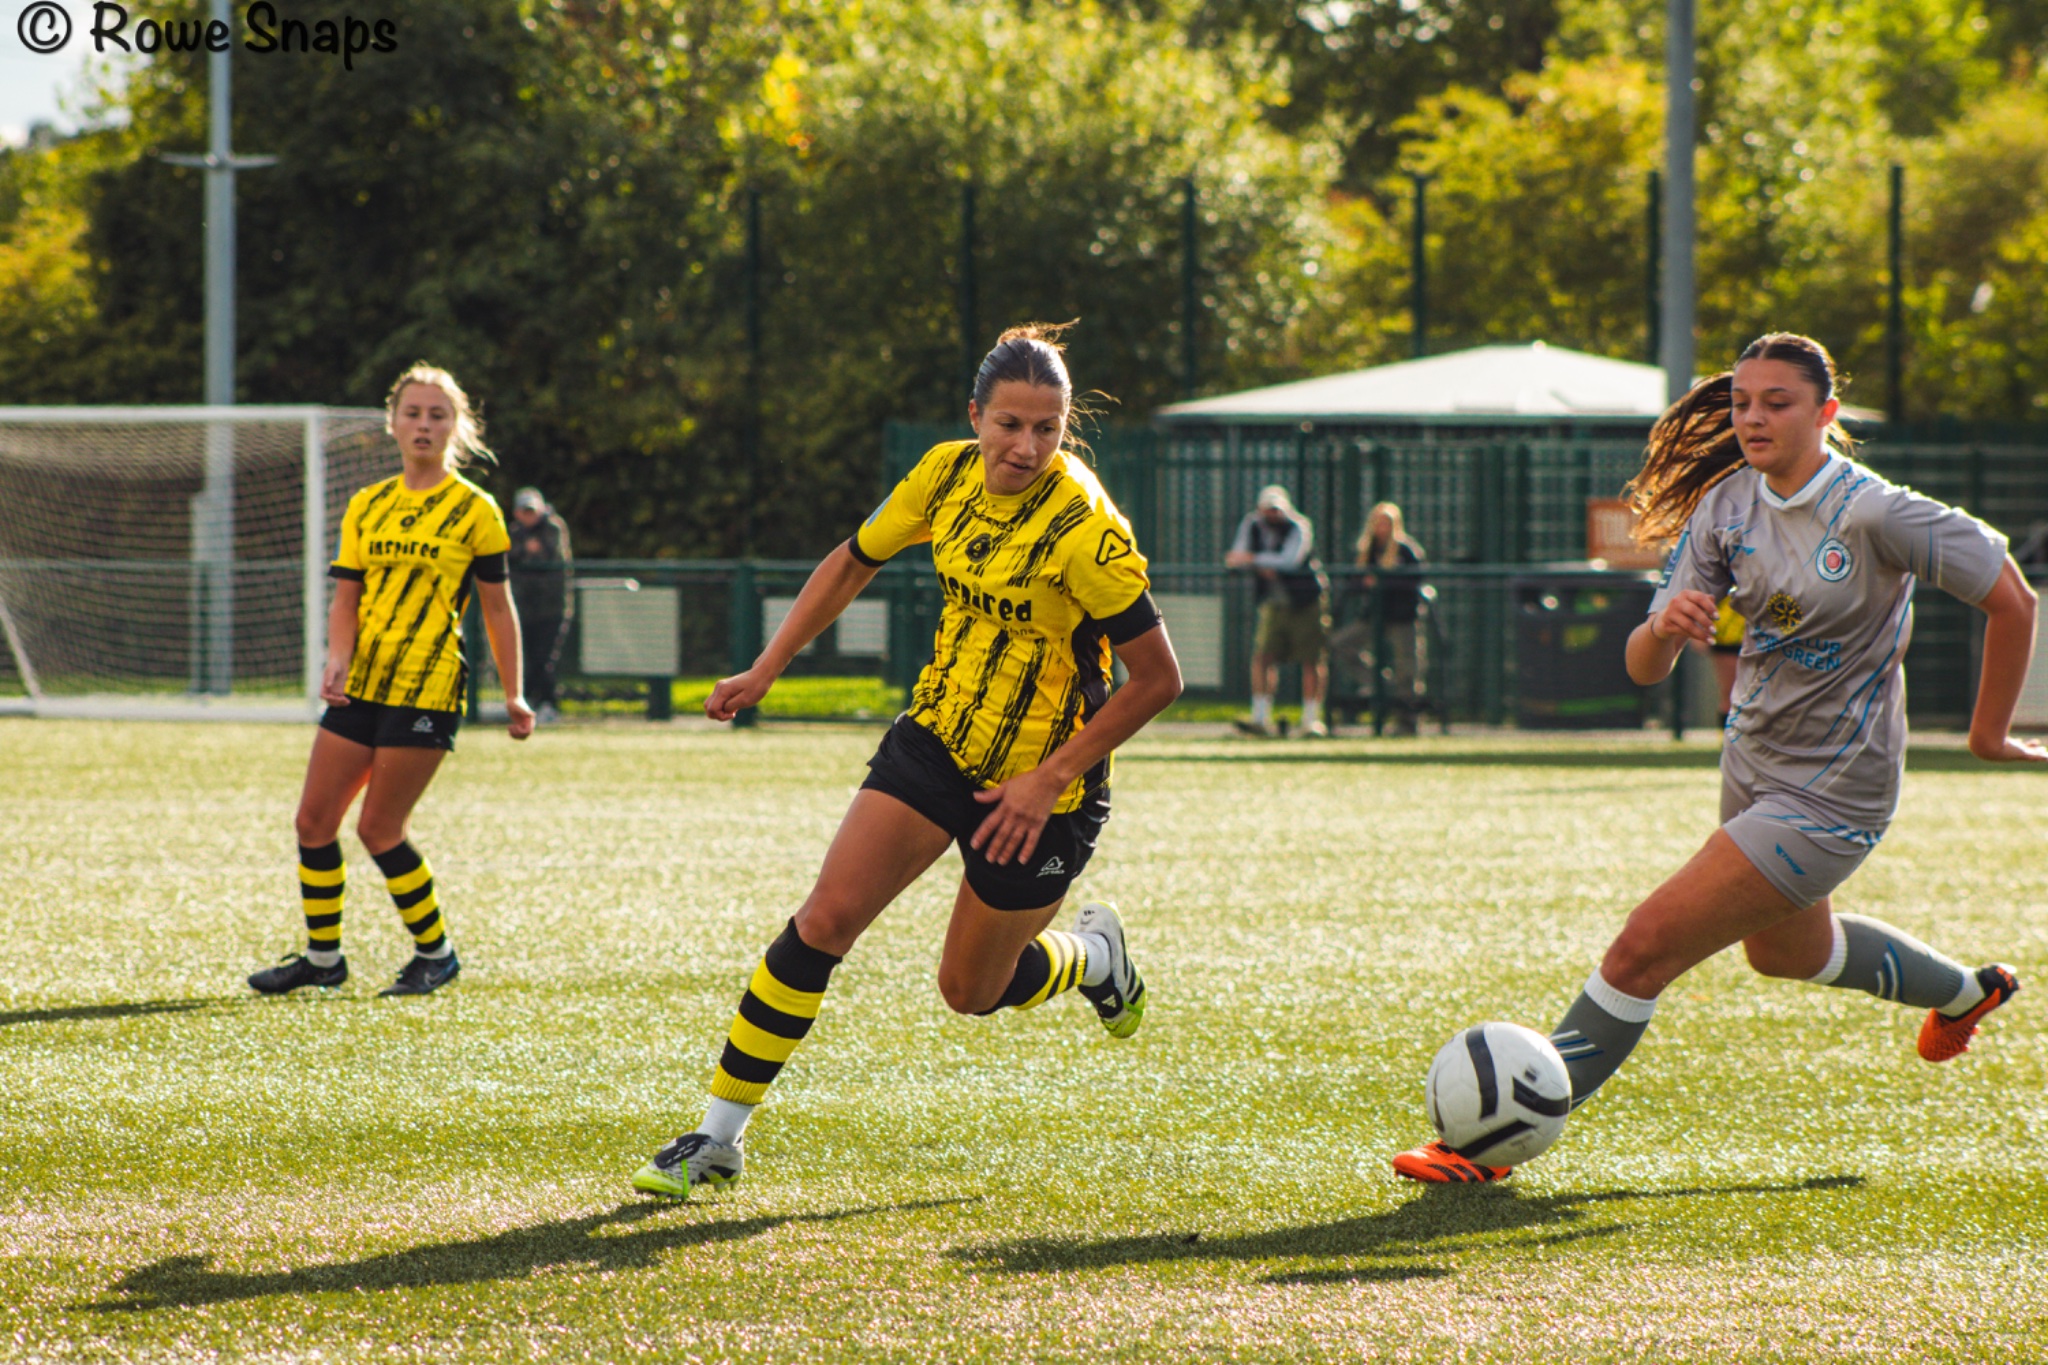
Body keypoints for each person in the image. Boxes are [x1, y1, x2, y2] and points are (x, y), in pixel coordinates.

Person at [1392, 333, 2040, 1183]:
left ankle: (1486, 1144)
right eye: (1742, 402)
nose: (1755, 418)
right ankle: (1967, 990)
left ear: (1826, 414)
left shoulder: (1877, 513)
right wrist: (1663, 627)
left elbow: (2013, 598)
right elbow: (1641, 664)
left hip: (1836, 792)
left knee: (1643, 949)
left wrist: (1988, 733)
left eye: (1778, 402)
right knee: (1786, 954)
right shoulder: (1726, 506)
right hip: (1751, 774)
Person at [631, 324, 1183, 1198]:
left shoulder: (1086, 527)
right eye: (1008, 424)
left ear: (1067, 428)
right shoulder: (944, 474)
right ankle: (717, 1138)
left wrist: (1047, 779)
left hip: (1045, 787)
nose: (1027, 446)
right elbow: (853, 561)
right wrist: (766, 667)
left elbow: (1159, 678)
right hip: (936, 740)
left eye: (1047, 428)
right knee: (823, 920)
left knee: (969, 990)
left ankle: (1093, 960)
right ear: (975, 416)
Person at [247, 364, 535, 999]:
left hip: (428, 689)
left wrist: (514, 692)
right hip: (364, 685)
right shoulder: (368, 504)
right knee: (313, 822)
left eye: (438, 414)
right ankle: (324, 959)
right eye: (413, 413)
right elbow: (346, 597)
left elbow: (496, 607)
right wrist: (337, 659)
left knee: (379, 828)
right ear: (394, 422)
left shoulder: (475, 510)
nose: (424, 425)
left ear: (458, 426)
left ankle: (437, 953)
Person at [1226, 485, 1328, 737]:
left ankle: (1310, 721)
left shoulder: (1298, 525)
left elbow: (1289, 561)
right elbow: (1234, 557)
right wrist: (1258, 561)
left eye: (1277, 510)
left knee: (1311, 660)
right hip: (1274, 602)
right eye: (1268, 510)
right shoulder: (1252, 524)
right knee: (1263, 657)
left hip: (1305, 602)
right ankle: (1260, 718)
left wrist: (1253, 560)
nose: (1272, 515)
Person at [1329, 502, 1428, 735]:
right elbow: (1355, 582)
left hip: (1402, 616)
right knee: (1339, 644)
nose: (1382, 527)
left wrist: (1383, 580)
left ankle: (1406, 720)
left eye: (1387, 523)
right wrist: (1366, 582)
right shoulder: (1367, 550)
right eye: (1378, 522)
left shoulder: (1406, 549)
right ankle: (1381, 686)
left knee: (1408, 667)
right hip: (1374, 616)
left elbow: (1416, 580)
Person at [508, 486, 573, 722]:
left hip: (551, 608)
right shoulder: (515, 533)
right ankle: (529, 703)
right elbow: (508, 555)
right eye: (524, 511)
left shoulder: (553, 528)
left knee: (543, 658)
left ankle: (548, 704)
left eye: (532, 510)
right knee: (524, 658)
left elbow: (551, 556)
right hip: (523, 608)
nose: (529, 515)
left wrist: (528, 552)